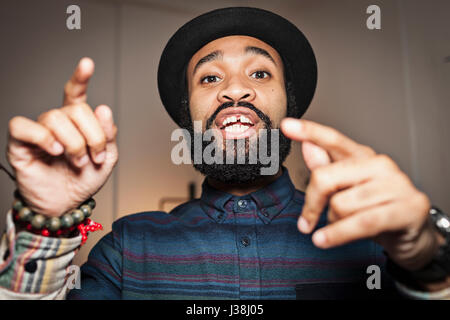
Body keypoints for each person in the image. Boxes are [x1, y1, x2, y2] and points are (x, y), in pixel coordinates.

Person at [0, 7, 449, 300]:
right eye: (210, 79)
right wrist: (44, 220)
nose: (236, 89)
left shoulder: (368, 239)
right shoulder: (127, 247)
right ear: (187, 115)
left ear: (288, 105)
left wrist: (428, 257)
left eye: (259, 72)